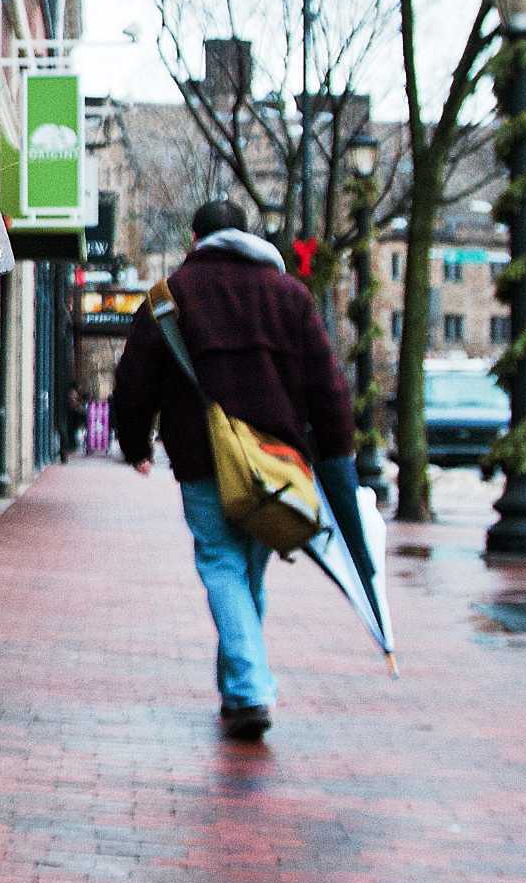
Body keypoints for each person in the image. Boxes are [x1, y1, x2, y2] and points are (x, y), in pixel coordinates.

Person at [110, 198, 355, 741]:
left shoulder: (169, 297)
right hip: (275, 466)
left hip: (202, 461)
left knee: (223, 566)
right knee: (248, 572)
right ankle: (240, 690)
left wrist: (135, 444)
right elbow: (328, 384)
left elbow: (133, 381)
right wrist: (338, 453)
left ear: (194, 240)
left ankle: (247, 691)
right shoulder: (290, 296)